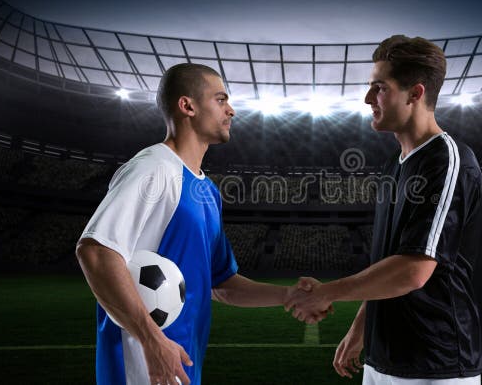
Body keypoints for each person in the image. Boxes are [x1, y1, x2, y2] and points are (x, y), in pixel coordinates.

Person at [76, 63, 328, 385]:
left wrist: (288, 295)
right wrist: (152, 341)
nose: (231, 110)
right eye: (221, 100)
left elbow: (221, 284)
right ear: (188, 106)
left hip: (181, 363)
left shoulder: (206, 190)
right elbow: (95, 251)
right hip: (141, 367)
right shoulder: (153, 169)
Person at [285, 35, 482, 384]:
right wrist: (361, 330)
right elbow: (391, 261)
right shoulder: (393, 166)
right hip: (383, 360)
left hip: (434, 364)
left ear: (415, 93)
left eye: (379, 88)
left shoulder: (446, 160)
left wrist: (326, 293)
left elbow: (414, 270)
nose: (368, 98)